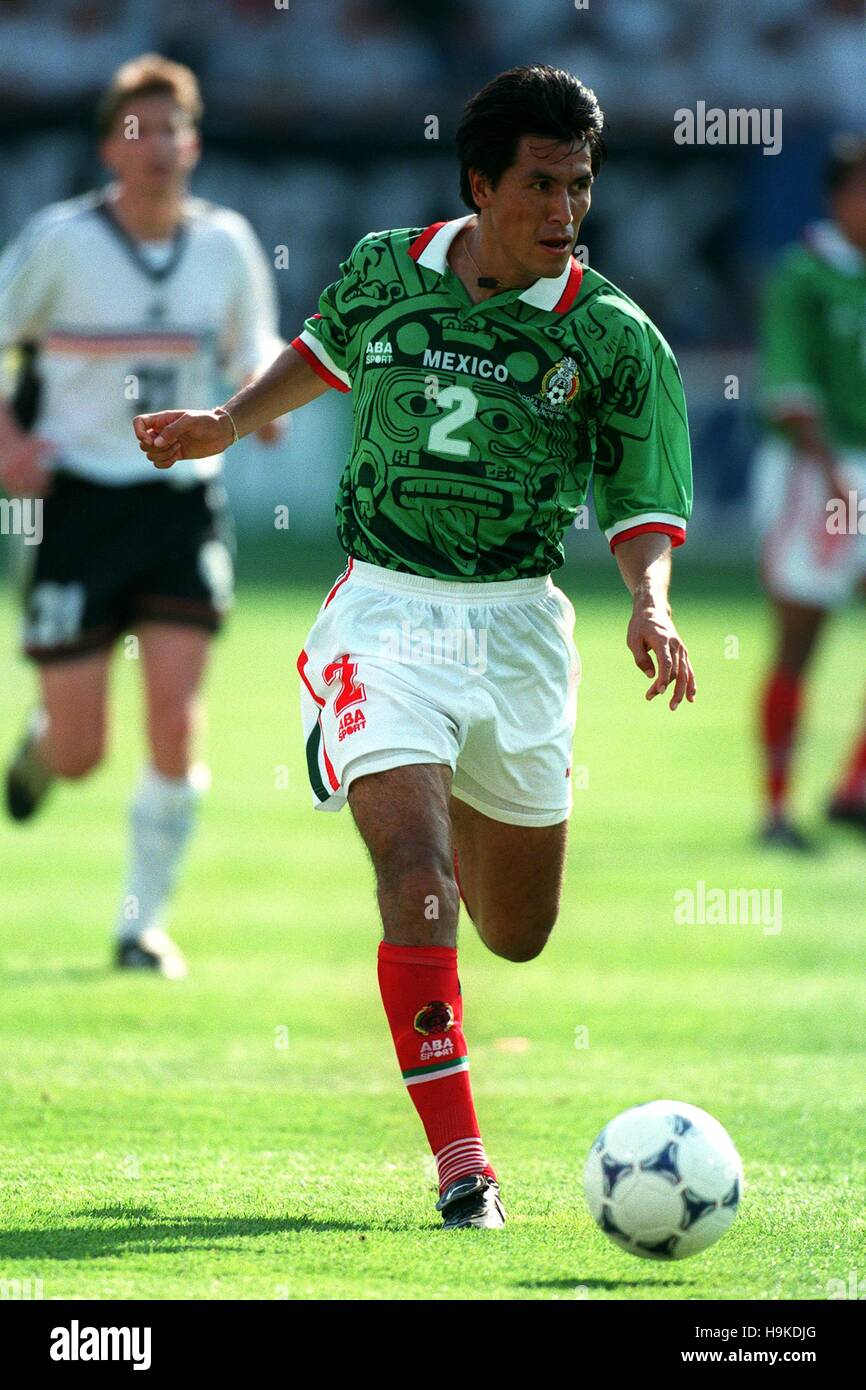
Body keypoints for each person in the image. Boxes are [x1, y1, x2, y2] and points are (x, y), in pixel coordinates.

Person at [134, 65, 695, 1226]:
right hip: (384, 613)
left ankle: (453, 925)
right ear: (479, 184)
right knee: (417, 879)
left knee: (516, 931)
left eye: (578, 187)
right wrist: (227, 422)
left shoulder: (615, 339)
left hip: (519, 631)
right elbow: (323, 350)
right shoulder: (383, 270)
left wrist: (650, 601)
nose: (561, 212)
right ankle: (462, 1165)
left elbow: (644, 502)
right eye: (538, 185)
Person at [0, 53, 282, 976]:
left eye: (173, 129)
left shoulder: (226, 245)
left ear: (193, 143)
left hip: (178, 506)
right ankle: (43, 752)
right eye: (139, 131)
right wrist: (9, 440)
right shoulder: (60, 243)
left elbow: (256, 350)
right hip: (77, 505)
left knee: (176, 719)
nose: (159, 146)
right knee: (83, 750)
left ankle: (140, 924)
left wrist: (259, 401)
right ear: (109, 151)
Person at [754, 133, 866, 848]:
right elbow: (788, 393)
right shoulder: (806, 274)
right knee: (801, 637)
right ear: (838, 196)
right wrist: (832, 478)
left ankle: (853, 790)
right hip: (814, 471)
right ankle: (776, 807)